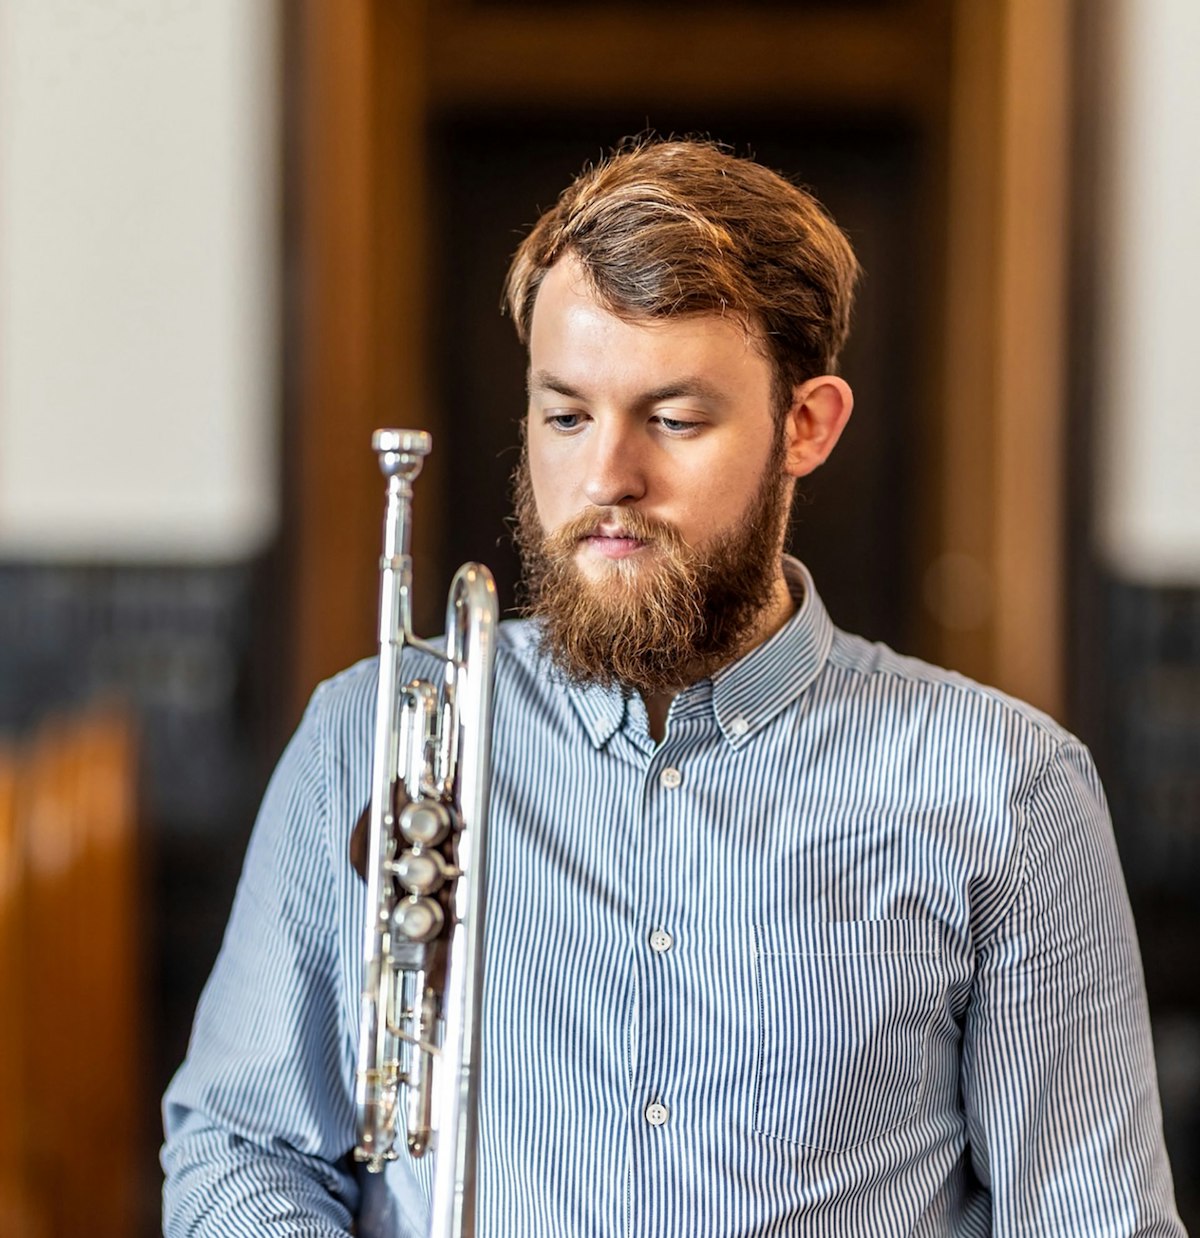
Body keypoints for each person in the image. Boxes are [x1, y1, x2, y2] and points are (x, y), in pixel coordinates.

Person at [162, 138, 1184, 1236]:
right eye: (566, 416)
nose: (606, 478)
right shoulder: (369, 732)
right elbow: (242, 1149)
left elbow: (1094, 1217)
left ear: (807, 425)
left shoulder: (1010, 785)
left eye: (675, 419)